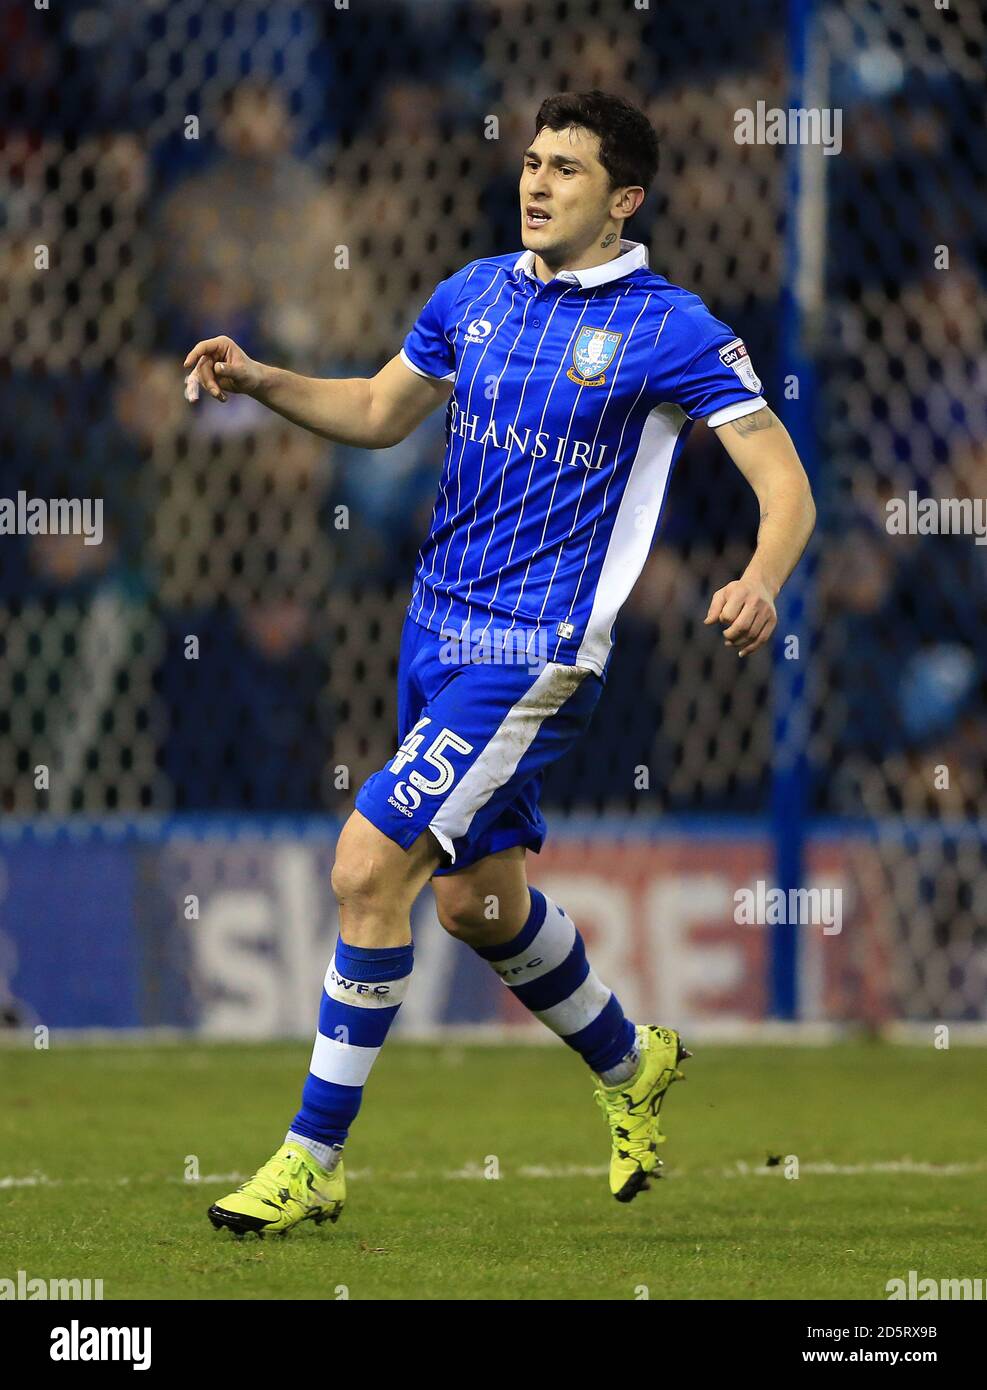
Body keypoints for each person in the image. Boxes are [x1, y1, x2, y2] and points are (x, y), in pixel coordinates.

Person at [183, 90, 815, 1234]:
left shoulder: (670, 327)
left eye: (567, 169)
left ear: (624, 199)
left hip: (536, 656)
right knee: (478, 903)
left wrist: (761, 577)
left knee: (369, 870)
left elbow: (785, 483)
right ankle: (635, 1064)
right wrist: (263, 378)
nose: (536, 181)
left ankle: (311, 1157)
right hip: (433, 637)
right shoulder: (469, 294)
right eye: (532, 161)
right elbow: (380, 409)